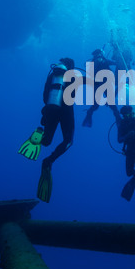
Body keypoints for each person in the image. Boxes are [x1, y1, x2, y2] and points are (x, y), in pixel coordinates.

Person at [18, 58, 75, 203]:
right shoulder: (72, 75)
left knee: (47, 141)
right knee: (68, 141)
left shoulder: (53, 74)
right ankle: (49, 161)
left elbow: (45, 94)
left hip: (51, 109)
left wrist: (45, 113)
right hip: (66, 111)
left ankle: (38, 134)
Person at [82, 49, 120, 128]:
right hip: (105, 83)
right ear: (101, 53)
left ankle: (89, 114)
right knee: (112, 103)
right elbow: (116, 63)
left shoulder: (93, 62)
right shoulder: (104, 60)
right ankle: (118, 118)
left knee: (96, 104)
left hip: (96, 84)